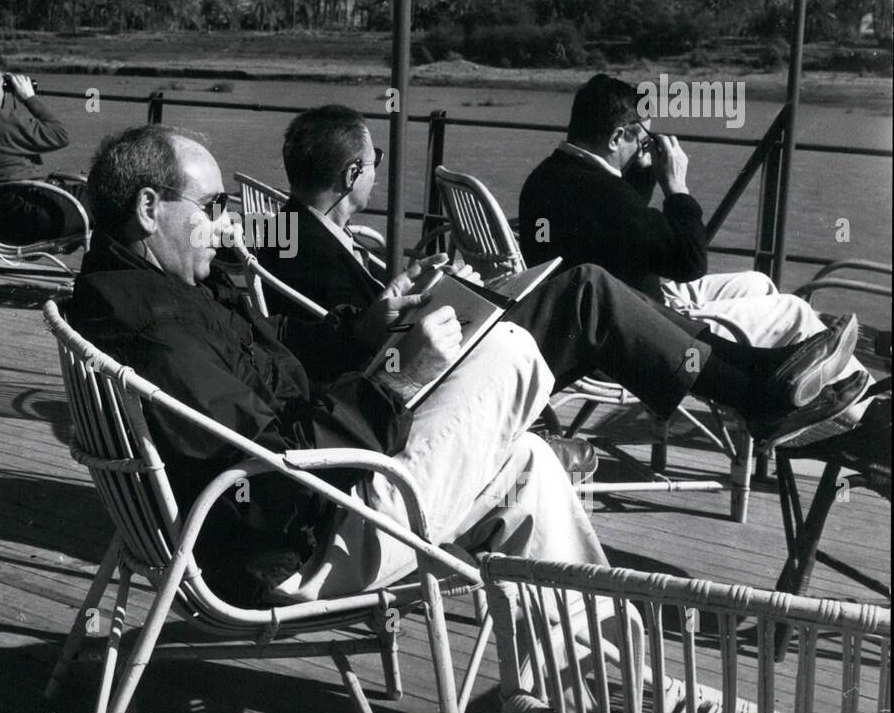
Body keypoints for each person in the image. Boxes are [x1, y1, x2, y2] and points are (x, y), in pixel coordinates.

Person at [68, 124, 862, 612]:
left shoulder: (141, 296)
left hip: (329, 481)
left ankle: (597, 678)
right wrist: (392, 381)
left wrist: (368, 330)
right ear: (148, 210)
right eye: (210, 208)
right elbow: (267, 476)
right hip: (307, 537)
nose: (229, 222)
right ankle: (756, 391)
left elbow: (268, 373)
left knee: (526, 462)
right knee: (558, 313)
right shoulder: (157, 331)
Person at [256, 104, 863, 445]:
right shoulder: (312, 248)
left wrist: (411, 289)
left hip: (421, 359)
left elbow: (340, 321)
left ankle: (755, 375)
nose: (377, 172)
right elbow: (356, 345)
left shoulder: (287, 227)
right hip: (422, 388)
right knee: (589, 291)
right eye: (376, 162)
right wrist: (393, 309)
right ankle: (755, 390)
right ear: (352, 172)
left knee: (579, 288)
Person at [518, 73, 872, 413]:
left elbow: (630, 234)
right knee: (793, 311)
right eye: (641, 140)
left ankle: (785, 374)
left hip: (625, 301)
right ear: (615, 138)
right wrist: (676, 187)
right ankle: (855, 414)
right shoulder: (601, 193)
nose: (647, 147)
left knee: (758, 282)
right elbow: (689, 263)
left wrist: (639, 175)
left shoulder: (548, 176)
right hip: (640, 323)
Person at [0, 58, 88, 245]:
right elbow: (60, 135)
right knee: (106, 194)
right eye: (1, 86)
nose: (5, 90)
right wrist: (29, 98)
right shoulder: (5, 122)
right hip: (37, 217)